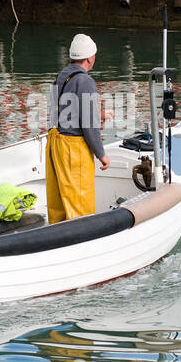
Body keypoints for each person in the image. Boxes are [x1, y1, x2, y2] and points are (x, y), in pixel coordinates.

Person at [46, 34, 109, 223]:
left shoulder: (60, 76)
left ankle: (55, 238)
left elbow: (63, 112)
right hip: (73, 148)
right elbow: (88, 124)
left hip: (55, 143)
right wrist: (101, 154)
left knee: (58, 203)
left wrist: (100, 115)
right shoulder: (85, 81)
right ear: (90, 58)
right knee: (79, 205)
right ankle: (80, 243)